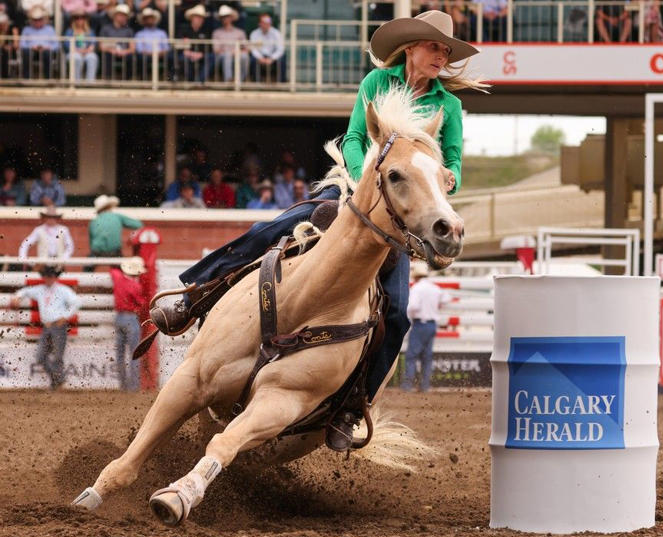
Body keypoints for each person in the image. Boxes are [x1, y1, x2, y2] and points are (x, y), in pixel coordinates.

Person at [150, 10, 483, 451]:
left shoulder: (449, 105)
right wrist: (366, 176)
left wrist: (448, 178)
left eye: (445, 49)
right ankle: (194, 295)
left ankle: (352, 405)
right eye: (434, 46)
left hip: (403, 210)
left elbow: (453, 158)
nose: (440, 55)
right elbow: (353, 137)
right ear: (411, 48)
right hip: (357, 187)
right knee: (274, 228)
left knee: (398, 312)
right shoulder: (375, 85)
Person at [10, 266, 81, 389]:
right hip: (47, 326)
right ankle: (58, 379)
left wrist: (65, 316)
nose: (48, 279)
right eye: (46, 276)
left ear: (55, 277)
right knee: (41, 356)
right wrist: (17, 296)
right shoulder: (40, 290)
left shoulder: (63, 290)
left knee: (57, 356)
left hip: (58, 325)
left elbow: (77, 302)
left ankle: (56, 382)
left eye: (51, 276)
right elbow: (25, 291)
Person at [401, 262, 449, 393]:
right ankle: (425, 386)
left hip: (420, 324)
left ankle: (408, 385)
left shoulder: (417, 288)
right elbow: (446, 299)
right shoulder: (434, 288)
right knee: (427, 357)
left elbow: (413, 306)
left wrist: (409, 314)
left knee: (411, 356)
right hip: (431, 324)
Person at [110, 256, 147, 391]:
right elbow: (141, 303)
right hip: (131, 318)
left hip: (119, 318)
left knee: (119, 354)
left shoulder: (118, 278)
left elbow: (113, 270)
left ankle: (123, 385)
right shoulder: (135, 286)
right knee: (134, 353)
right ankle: (133, 386)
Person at [88, 194, 143, 260]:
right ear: (109, 207)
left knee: (87, 268)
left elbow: (91, 242)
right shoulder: (117, 216)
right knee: (121, 267)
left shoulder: (94, 222)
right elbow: (138, 225)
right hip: (114, 252)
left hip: (96, 252)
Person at [19, 6, 58, 79]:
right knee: (26, 53)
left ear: (43, 19)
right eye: (35, 19)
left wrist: (48, 47)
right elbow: (22, 44)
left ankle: (48, 79)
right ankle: (26, 79)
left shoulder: (50, 29)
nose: (37, 21)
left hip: (45, 51)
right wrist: (31, 47)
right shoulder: (26, 29)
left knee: (47, 54)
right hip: (31, 51)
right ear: (31, 20)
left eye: (39, 19)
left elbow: (56, 45)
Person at [98, 4, 135, 80]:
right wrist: (111, 50)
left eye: (125, 15)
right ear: (115, 16)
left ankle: (128, 81)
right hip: (110, 52)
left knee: (131, 57)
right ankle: (107, 81)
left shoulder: (129, 30)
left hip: (124, 53)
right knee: (107, 56)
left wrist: (124, 52)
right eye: (121, 15)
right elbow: (101, 46)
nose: (123, 18)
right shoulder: (106, 29)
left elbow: (132, 48)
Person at [177, 3, 212, 83]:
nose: (200, 19)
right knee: (182, 58)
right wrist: (187, 52)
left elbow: (209, 47)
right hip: (187, 55)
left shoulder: (206, 32)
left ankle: (200, 81)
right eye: (197, 17)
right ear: (192, 18)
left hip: (200, 56)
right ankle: (191, 80)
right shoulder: (183, 30)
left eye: (201, 18)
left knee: (210, 57)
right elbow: (177, 45)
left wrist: (201, 54)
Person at [212, 4, 247, 83]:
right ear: (221, 19)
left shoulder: (240, 32)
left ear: (231, 18)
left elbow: (245, 48)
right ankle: (228, 80)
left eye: (227, 16)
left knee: (244, 56)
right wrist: (229, 53)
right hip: (222, 56)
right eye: (223, 17)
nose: (225, 19)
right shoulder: (217, 32)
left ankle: (240, 80)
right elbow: (216, 50)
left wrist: (237, 52)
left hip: (237, 53)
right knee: (227, 55)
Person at [134, 7, 171, 80]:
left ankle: (170, 79)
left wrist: (159, 54)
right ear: (144, 20)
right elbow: (139, 49)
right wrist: (152, 54)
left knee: (170, 57)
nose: (149, 20)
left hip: (161, 55)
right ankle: (143, 79)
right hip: (146, 56)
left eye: (151, 18)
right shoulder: (139, 34)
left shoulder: (161, 33)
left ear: (154, 19)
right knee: (141, 58)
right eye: (147, 18)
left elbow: (166, 48)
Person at [63, 9, 99, 82]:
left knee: (93, 57)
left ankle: (90, 82)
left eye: (82, 17)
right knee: (76, 58)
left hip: (87, 52)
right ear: (73, 20)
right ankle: (76, 82)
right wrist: (78, 50)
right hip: (74, 52)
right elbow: (67, 44)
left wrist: (87, 50)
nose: (79, 20)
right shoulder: (69, 31)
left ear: (85, 20)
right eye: (77, 18)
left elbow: (93, 43)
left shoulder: (90, 31)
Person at [248, 12, 284, 82]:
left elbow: (280, 49)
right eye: (264, 22)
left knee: (282, 58)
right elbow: (254, 49)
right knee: (253, 59)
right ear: (260, 23)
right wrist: (260, 58)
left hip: (273, 55)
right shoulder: (254, 33)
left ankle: (281, 82)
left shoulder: (276, 33)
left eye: (268, 22)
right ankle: (256, 82)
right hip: (260, 56)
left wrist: (272, 58)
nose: (267, 24)